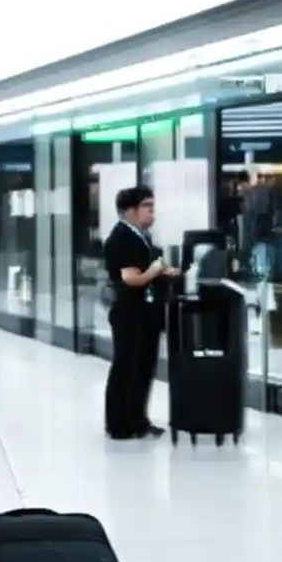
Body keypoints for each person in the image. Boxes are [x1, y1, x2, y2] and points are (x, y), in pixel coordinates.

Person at [103, 186, 178, 440]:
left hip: (147, 312)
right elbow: (131, 279)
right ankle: (119, 424)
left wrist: (165, 272)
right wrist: (155, 271)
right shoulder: (121, 239)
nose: (152, 212)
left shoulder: (144, 237)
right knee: (126, 366)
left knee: (144, 366)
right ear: (130, 211)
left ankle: (138, 419)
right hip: (130, 312)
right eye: (147, 206)